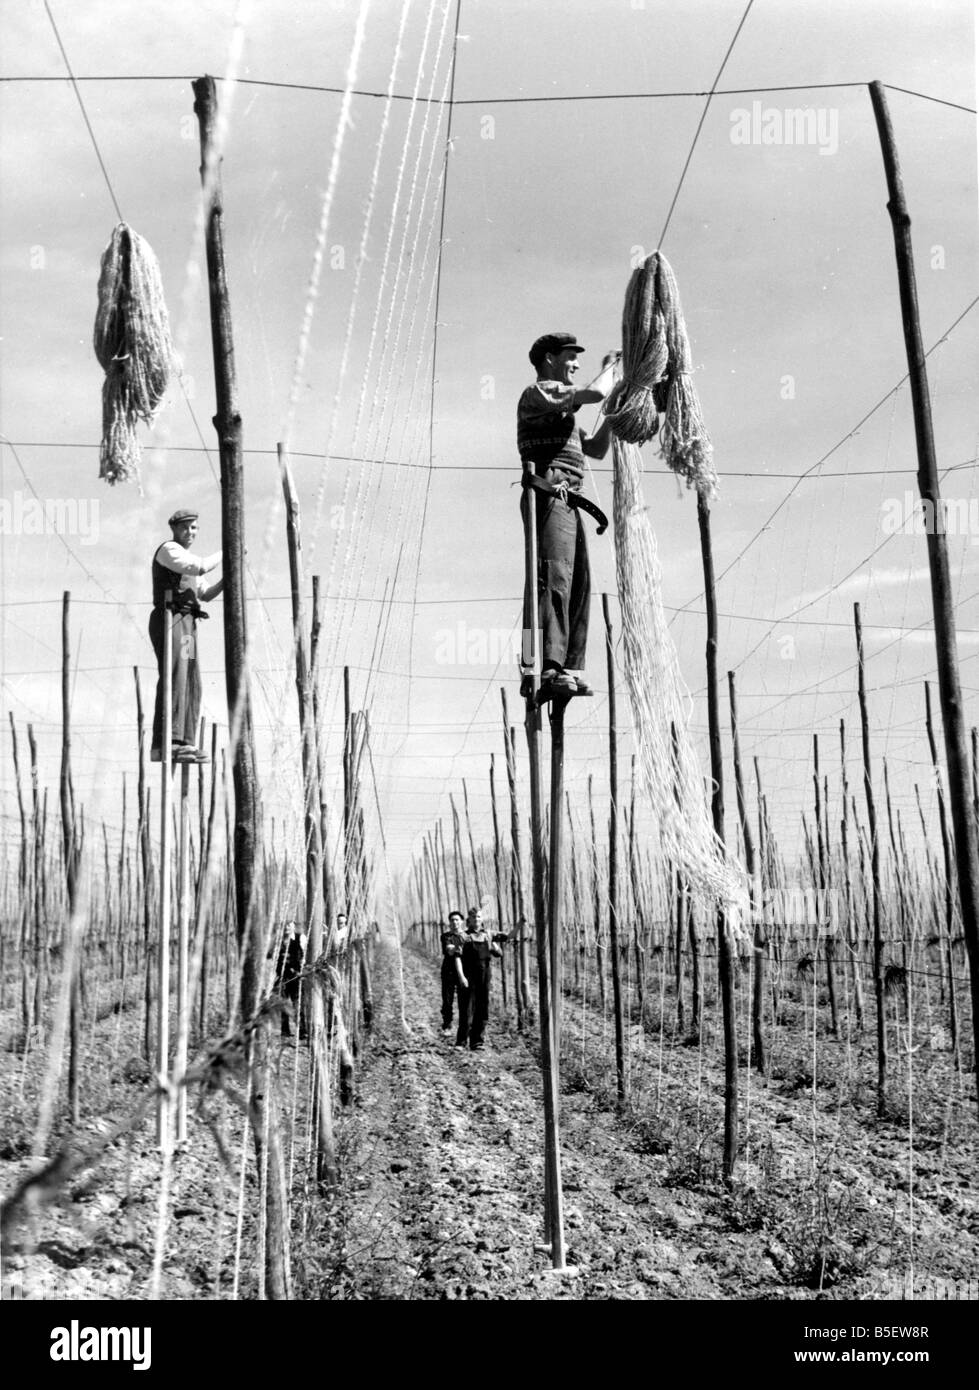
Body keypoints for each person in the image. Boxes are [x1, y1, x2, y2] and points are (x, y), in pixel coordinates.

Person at [517, 334, 618, 700]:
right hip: (547, 495)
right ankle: (540, 665)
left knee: (576, 584)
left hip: (569, 501)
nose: (576, 364)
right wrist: (610, 368)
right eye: (570, 357)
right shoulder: (538, 393)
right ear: (549, 359)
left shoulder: (565, 418)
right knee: (550, 579)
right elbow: (594, 395)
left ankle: (565, 667)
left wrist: (616, 414)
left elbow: (597, 449)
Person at [150, 509, 223, 762]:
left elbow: (206, 593)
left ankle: (184, 741)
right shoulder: (169, 550)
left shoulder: (188, 557)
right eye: (185, 527)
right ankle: (167, 740)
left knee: (190, 677)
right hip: (171, 619)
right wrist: (229, 550)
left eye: (194, 528)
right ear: (174, 528)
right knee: (175, 675)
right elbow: (200, 567)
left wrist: (230, 576)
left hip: (188, 622)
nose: (190, 532)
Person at [456, 907, 502, 1052]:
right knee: (467, 1009)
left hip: (484, 976)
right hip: (469, 976)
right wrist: (461, 976)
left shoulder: (487, 935)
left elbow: (499, 953)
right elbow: (457, 957)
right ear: (468, 920)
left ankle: (477, 1042)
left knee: (482, 1009)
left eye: (479, 917)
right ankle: (461, 1042)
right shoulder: (463, 936)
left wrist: (494, 948)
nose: (476, 919)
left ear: (482, 919)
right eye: (473, 917)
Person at [273, 920, 307, 1039]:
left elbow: (300, 958)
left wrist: (296, 970)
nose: (287, 928)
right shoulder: (278, 944)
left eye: (289, 926)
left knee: (297, 1005)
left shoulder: (296, 942)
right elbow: (274, 960)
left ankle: (302, 1031)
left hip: (295, 978)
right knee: (283, 1005)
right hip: (282, 978)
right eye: (285, 926)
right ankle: (285, 1030)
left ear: (293, 929)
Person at [440, 910, 468, 1036]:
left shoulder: (467, 935)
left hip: (464, 971)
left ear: (462, 921)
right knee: (447, 999)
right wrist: (458, 947)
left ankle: (465, 1026)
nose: (455, 922)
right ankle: (447, 1024)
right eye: (452, 920)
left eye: (457, 920)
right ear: (449, 922)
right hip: (449, 971)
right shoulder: (446, 936)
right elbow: (449, 950)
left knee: (464, 1000)